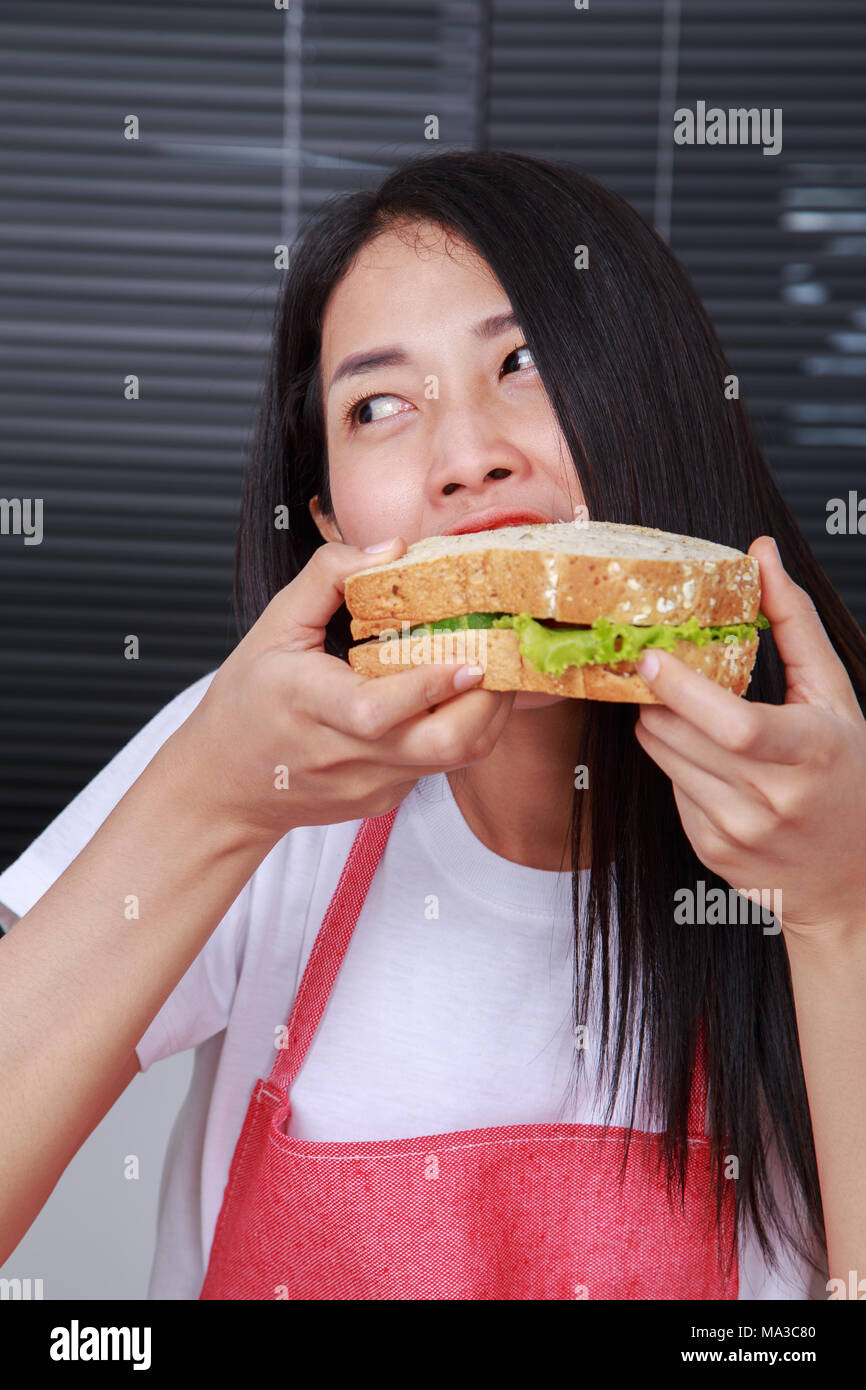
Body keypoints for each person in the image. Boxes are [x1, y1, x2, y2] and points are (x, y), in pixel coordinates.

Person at [1, 150, 864, 1299]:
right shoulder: (252, 763)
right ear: (329, 523)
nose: (469, 461)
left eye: (526, 362)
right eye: (379, 407)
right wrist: (206, 801)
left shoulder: (838, 796)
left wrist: (839, 909)